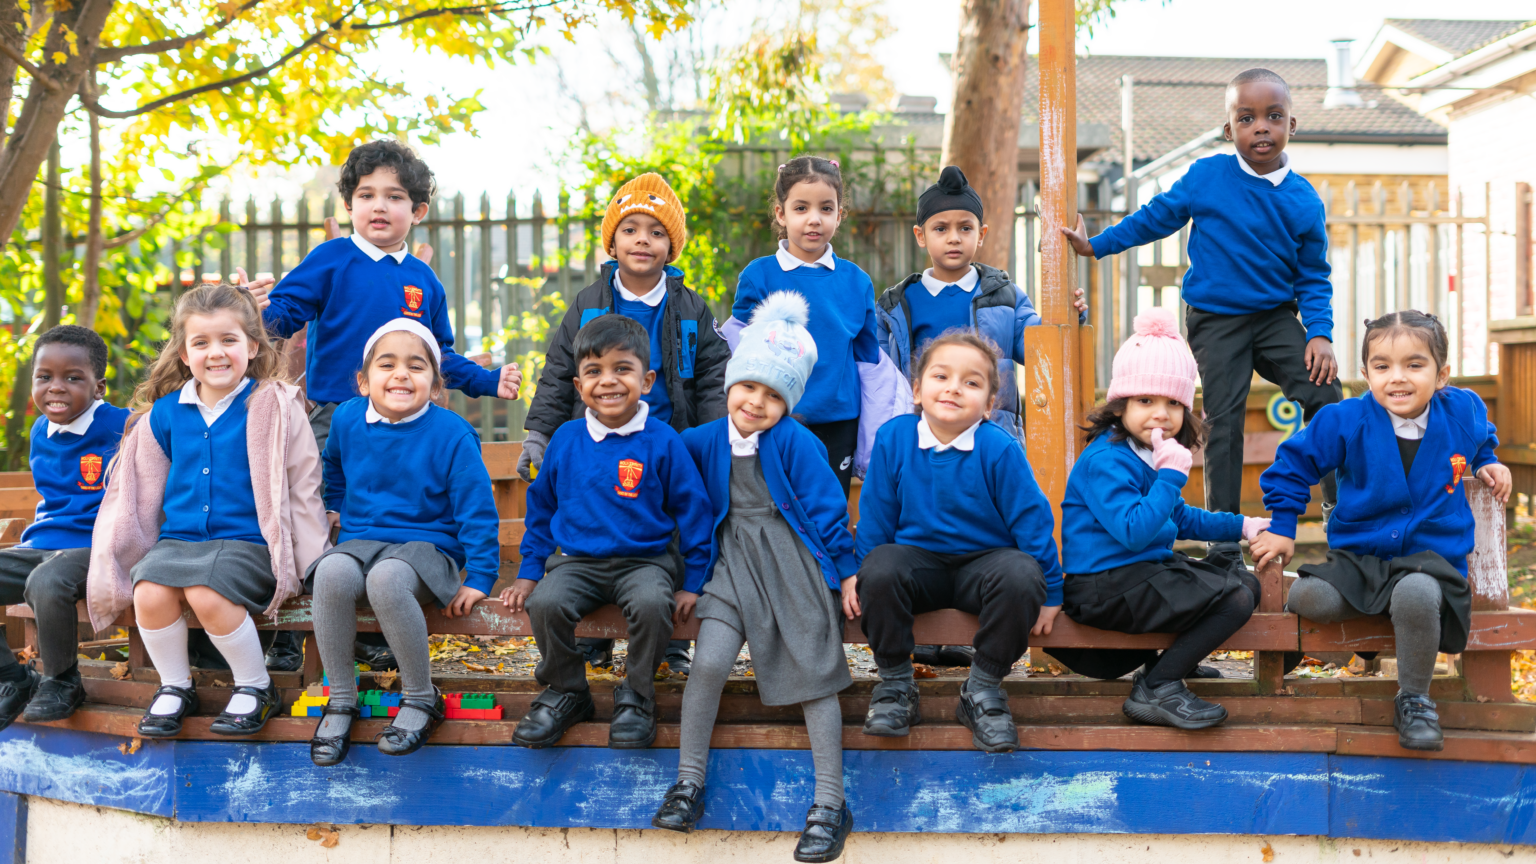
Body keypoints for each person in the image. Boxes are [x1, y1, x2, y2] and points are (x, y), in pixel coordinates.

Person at [254, 140, 518, 674]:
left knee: (387, 523)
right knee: (314, 517)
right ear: (348, 206)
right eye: (366, 194)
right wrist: (250, 313)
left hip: (406, 425)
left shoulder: (423, 281)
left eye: (394, 196)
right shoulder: (332, 259)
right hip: (337, 415)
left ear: (416, 211)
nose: (379, 206)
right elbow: (285, 312)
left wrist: (488, 381)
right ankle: (292, 632)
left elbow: (439, 354)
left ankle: (372, 631)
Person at [1060, 67, 1342, 540]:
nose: (1261, 128)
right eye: (1247, 118)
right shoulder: (1207, 176)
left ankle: (1340, 511)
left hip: (1275, 317)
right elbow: (1155, 218)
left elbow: (1313, 275)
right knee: (1224, 421)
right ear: (1230, 129)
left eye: (1274, 116)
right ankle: (1225, 544)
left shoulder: (1304, 201)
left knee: (1327, 397)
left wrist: (1319, 333)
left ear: (1291, 125)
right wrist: (1098, 245)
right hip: (1216, 319)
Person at [653, 292, 855, 862]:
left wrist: (846, 573)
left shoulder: (796, 442)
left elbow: (827, 511)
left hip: (789, 565)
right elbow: (672, 495)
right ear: (730, 384)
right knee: (710, 662)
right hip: (727, 568)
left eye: (773, 394)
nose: (756, 402)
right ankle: (688, 781)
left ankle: (829, 802)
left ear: (789, 403)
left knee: (814, 673)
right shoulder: (699, 441)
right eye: (748, 387)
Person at [1254, 311, 1512, 752]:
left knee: (1415, 595)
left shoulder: (1462, 409)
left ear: (1441, 374)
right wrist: (1282, 526)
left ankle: (1413, 699)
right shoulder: (1345, 419)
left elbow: (1480, 436)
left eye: (1415, 365)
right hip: (1363, 557)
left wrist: (1487, 459)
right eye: (1382, 366)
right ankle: (1372, 638)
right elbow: (1293, 465)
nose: (1398, 378)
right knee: (1309, 597)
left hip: (1430, 559)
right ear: (1366, 374)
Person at [86, 283, 329, 738]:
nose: (215, 353)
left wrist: (310, 559)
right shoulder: (165, 414)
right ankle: (176, 686)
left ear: (253, 346)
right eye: (201, 343)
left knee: (205, 591)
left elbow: (303, 484)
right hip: (181, 542)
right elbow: (140, 491)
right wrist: (120, 553)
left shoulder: (272, 405)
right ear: (183, 353)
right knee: (149, 592)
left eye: (229, 340)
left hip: (248, 544)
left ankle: (256, 687)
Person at [518, 172, 727, 676]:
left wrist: (716, 437)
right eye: (631, 229)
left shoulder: (690, 307)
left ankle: (669, 645)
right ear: (612, 241)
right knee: (597, 524)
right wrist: (539, 433)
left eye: (656, 233)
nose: (643, 241)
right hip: (597, 438)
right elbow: (558, 372)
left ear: (670, 248)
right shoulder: (589, 303)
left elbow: (713, 375)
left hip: (668, 438)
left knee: (665, 532)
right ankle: (592, 638)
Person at [876, 164, 1085, 669]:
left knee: (996, 529)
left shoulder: (1004, 296)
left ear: (982, 234)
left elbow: (1038, 346)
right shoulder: (897, 302)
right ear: (920, 235)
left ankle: (982, 647)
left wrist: (1070, 317)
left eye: (965, 228)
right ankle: (919, 640)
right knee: (917, 526)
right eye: (942, 228)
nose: (954, 238)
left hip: (988, 432)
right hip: (923, 436)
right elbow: (882, 370)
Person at [1052, 308, 1271, 728]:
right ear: (1120, 405)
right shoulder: (1106, 460)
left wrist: (1242, 527)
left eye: (1174, 403)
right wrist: (1170, 476)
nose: (1161, 414)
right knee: (1235, 597)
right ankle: (1158, 685)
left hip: (1138, 575)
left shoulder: (1150, 453)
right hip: (1103, 586)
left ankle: (1170, 666)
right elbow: (1135, 530)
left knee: (1242, 580)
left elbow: (1179, 519)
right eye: (1146, 401)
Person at [503, 315, 713, 750]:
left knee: (654, 604)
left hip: (646, 561)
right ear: (578, 387)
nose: (608, 382)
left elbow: (694, 512)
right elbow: (542, 508)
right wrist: (528, 571)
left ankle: (636, 694)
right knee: (546, 602)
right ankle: (567, 692)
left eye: (622, 368)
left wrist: (692, 583)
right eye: (594, 372)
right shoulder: (565, 438)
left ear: (647, 379)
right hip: (576, 562)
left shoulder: (663, 440)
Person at [848, 331, 1061, 753]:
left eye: (971, 382)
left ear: (990, 403)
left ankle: (981, 689)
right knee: (880, 566)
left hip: (983, 568)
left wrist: (1051, 590)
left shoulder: (998, 448)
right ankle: (895, 687)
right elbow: (875, 516)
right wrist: (857, 574)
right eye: (941, 376)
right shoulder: (894, 438)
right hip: (917, 567)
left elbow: (1032, 521)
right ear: (916, 389)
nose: (953, 388)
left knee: (1022, 574)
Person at [306, 319, 501, 765]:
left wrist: (482, 576)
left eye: (416, 366)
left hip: (426, 549)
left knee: (388, 580)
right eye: (386, 364)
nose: (400, 374)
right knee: (332, 571)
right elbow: (332, 467)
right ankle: (341, 698)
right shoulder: (348, 418)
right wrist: (334, 505)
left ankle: (420, 696)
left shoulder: (451, 433)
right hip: (362, 541)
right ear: (362, 380)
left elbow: (476, 508)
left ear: (434, 385)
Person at [723, 156, 909, 496]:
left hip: (839, 422)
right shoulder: (759, 275)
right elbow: (739, 348)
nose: (814, 219)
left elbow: (869, 361)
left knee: (829, 507)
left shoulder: (856, 281)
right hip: (775, 418)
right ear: (781, 214)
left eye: (826, 208)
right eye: (801, 208)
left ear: (839, 215)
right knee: (776, 505)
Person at [0, 327, 130, 729]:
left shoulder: (121, 426)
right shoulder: (41, 430)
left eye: (73, 378)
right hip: (42, 544)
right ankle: (15, 678)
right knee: (41, 570)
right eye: (44, 377)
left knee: (47, 580)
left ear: (99, 386)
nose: (55, 388)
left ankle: (62, 680)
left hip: (97, 548)